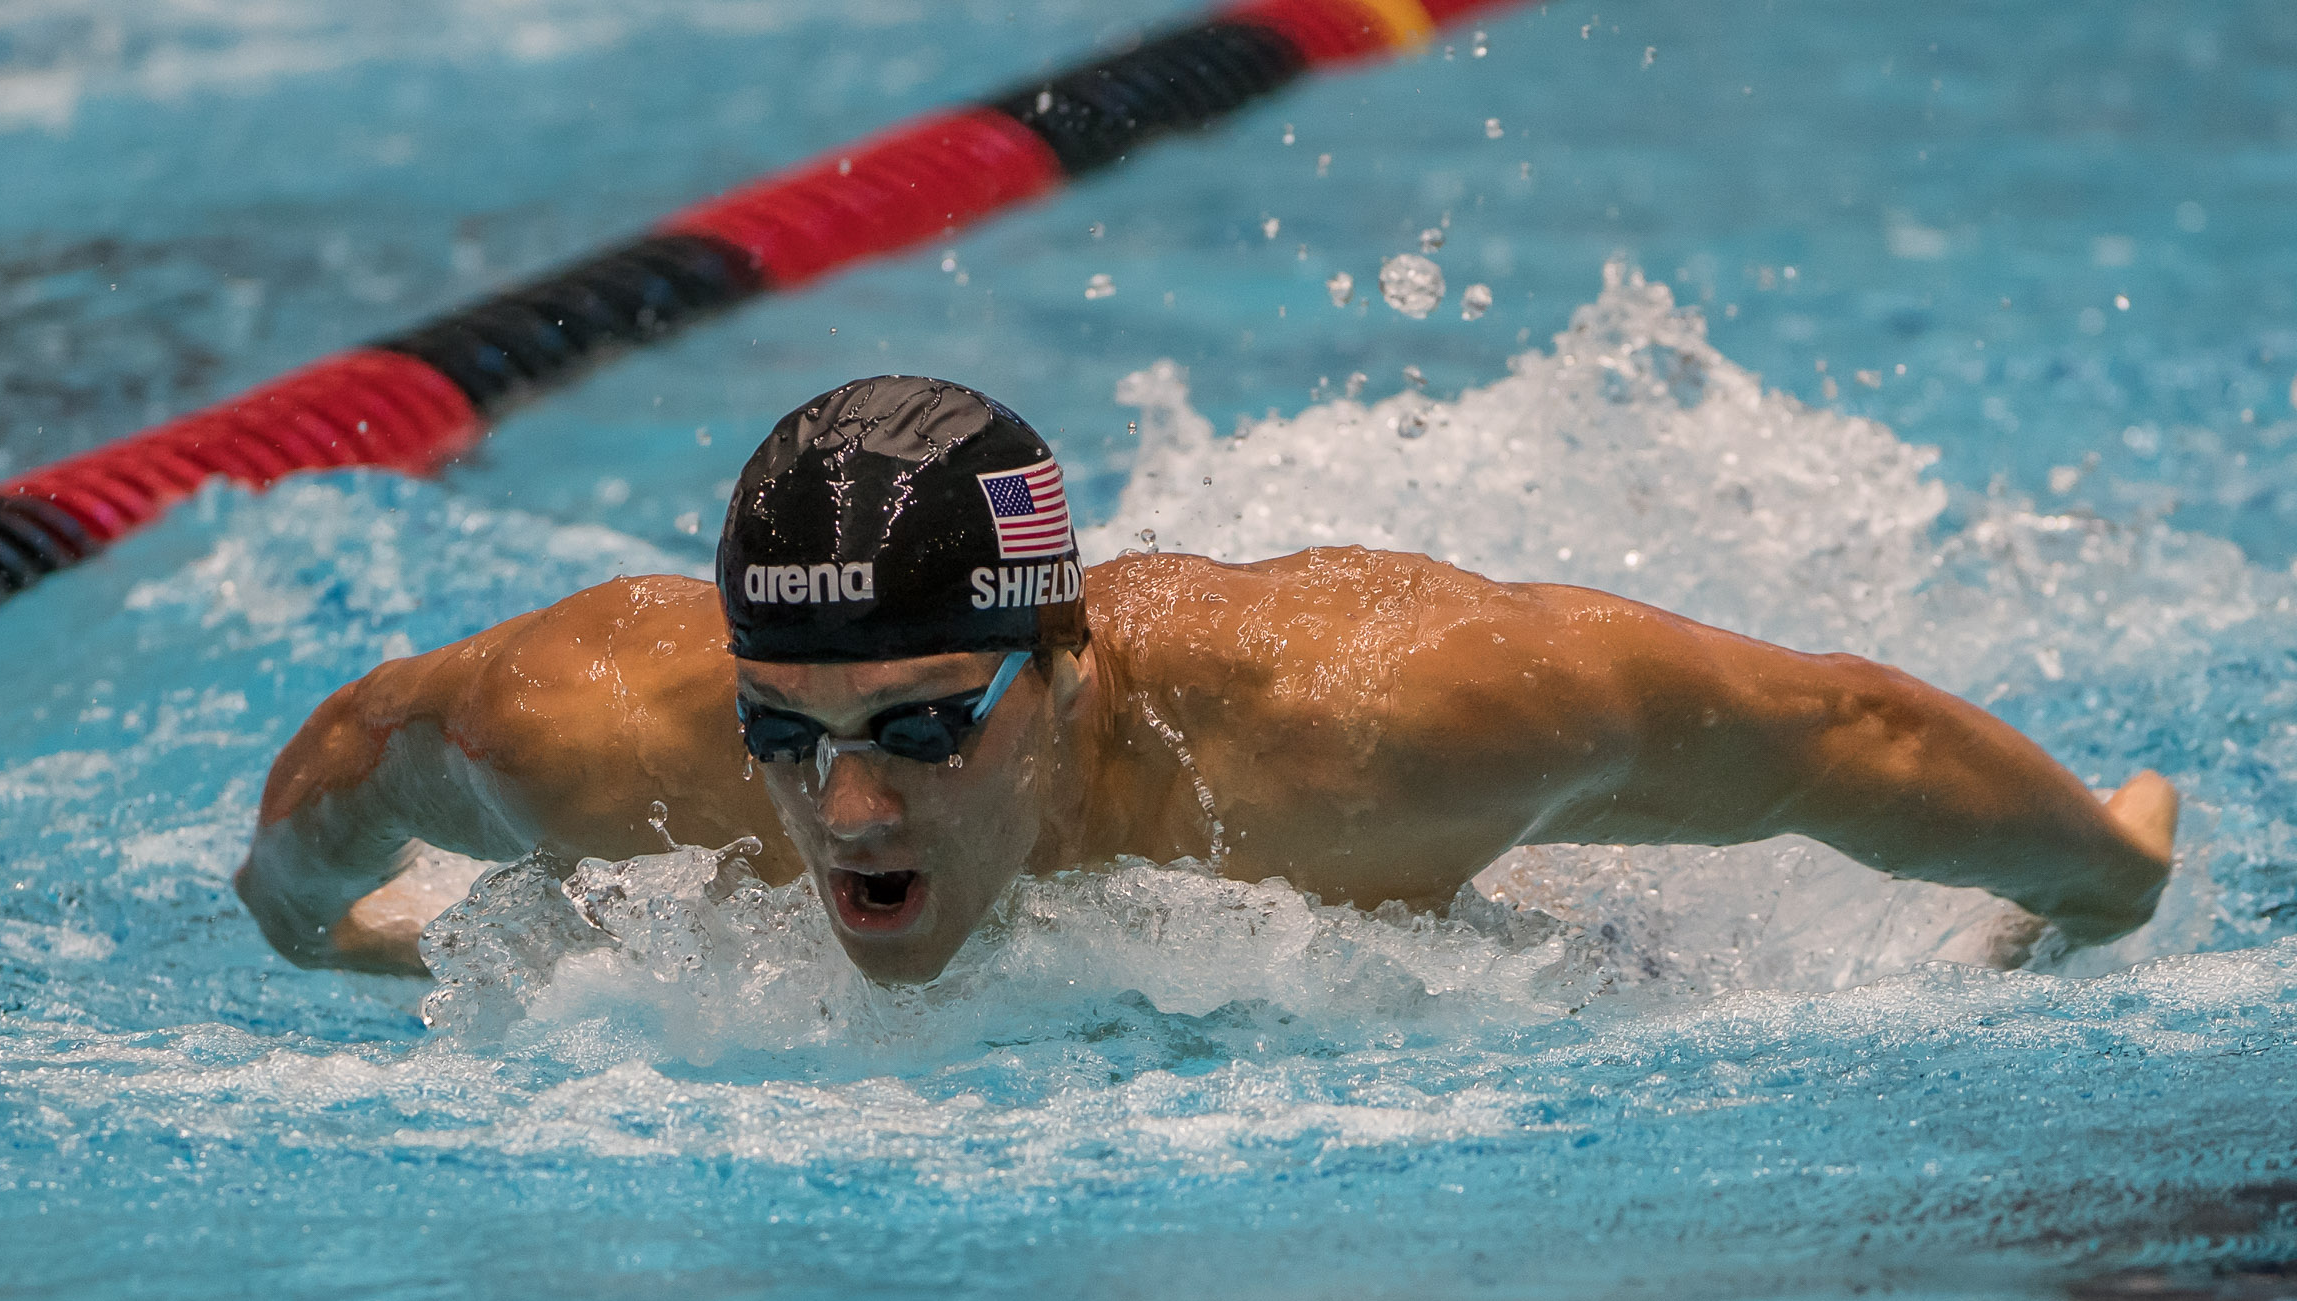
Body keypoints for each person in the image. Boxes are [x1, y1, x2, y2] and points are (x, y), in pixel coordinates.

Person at [236, 375, 2179, 985]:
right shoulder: (579, 733)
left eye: (924, 725)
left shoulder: (1371, 725)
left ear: (1063, 674)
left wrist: (2103, 876)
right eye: (790, 736)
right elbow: (359, 755)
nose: (847, 809)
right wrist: (325, 934)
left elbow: (1830, 733)